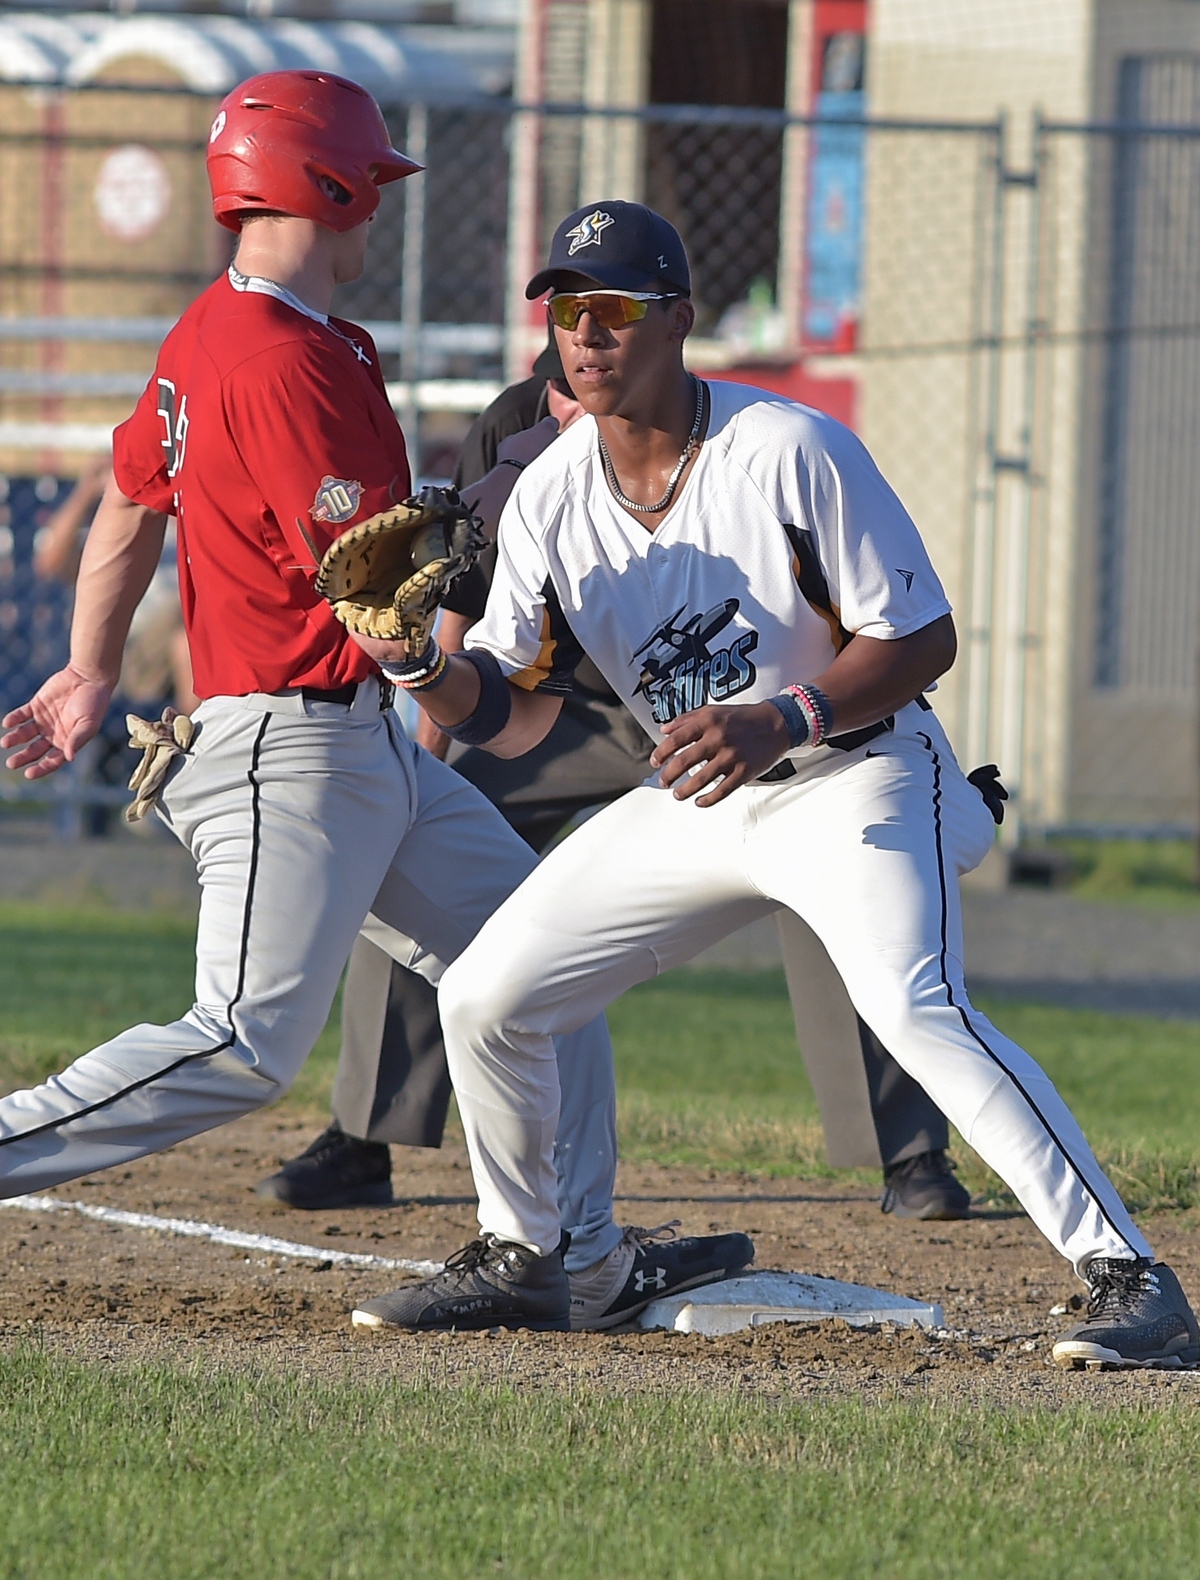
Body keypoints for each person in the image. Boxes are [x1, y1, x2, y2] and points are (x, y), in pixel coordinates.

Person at [350, 201, 1199, 1372]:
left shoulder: (787, 449)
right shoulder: (547, 493)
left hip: (856, 769)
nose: (584, 336)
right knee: (489, 992)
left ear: (681, 322)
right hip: (700, 795)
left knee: (914, 1004)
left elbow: (922, 638)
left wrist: (783, 712)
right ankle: (527, 1256)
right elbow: (509, 710)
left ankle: (1132, 1276)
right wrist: (417, 664)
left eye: (613, 309)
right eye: (564, 311)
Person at [0, 84, 750, 1337]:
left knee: (540, 966)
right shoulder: (278, 358)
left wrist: (87, 666)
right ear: (326, 189)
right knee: (241, 1040)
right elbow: (368, 578)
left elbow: (135, 498)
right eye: (369, 187)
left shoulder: (253, 331)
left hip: (366, 747)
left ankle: (583, 1259)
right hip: (282, 748)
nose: (377, 215)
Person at [264, 344, 970, 1223]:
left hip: (724, 696)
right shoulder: (516, 431)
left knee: (832, 867)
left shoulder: (741, 439)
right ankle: (370, 1129)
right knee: (430, 843)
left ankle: (905, 1153)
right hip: (561, 706)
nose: (583, 404)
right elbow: (464, 611)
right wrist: (425, 754)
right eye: (565, 381)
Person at [33, 454, 198, 836]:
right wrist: (89, 489)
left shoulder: (180, 513)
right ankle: (189, 761)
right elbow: (51, 563)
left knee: (182, 635)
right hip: (121, 650)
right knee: (179, 633)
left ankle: (190, 760)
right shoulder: (103, 529)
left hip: (177, 651)